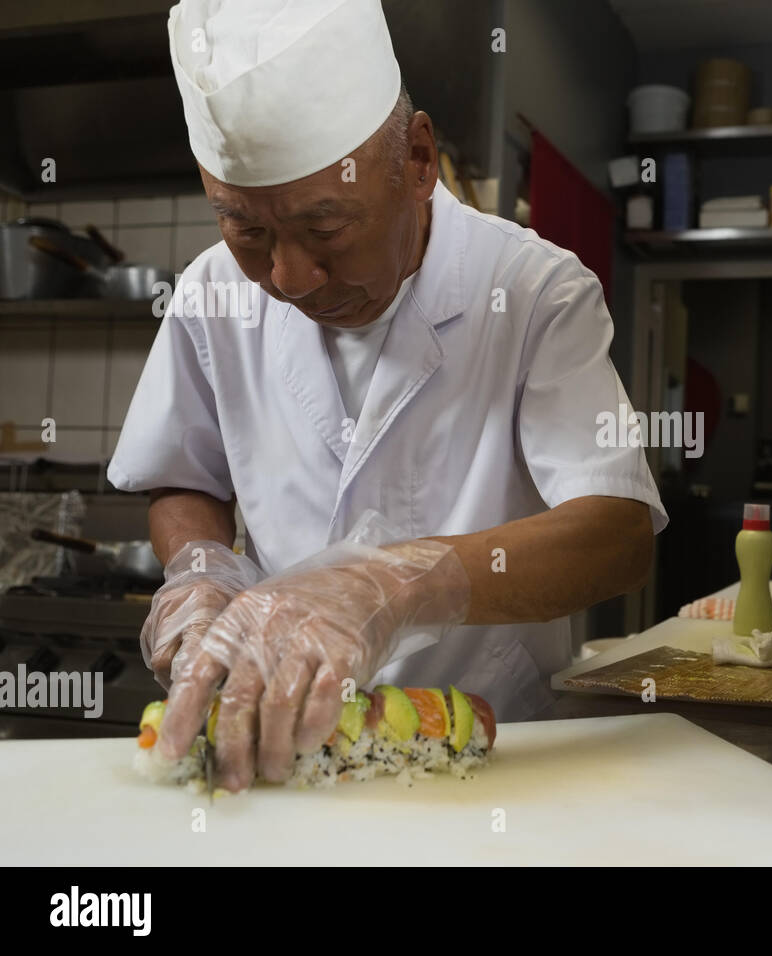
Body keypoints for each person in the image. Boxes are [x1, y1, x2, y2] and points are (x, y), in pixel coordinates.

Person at [108, 0, 667, 792]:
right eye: (248, 231)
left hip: (496, 758)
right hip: (278, 745)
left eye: (326, 228)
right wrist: (197, 570)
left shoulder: (535, 291)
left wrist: (397, 583)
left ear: (417, 158)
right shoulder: (209, 295)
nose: (288, 279)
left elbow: (618, 534)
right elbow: (185, 474)